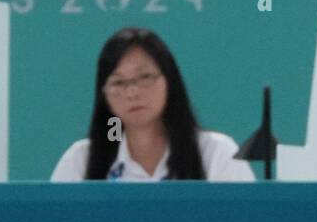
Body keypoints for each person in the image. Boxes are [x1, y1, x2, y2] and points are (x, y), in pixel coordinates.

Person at [51, 27, 255, 182]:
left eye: (145, 77)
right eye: (118, 83)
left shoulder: (216, 153)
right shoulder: (81, 161)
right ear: (104, 94)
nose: (132, 92)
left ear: (170, 80)